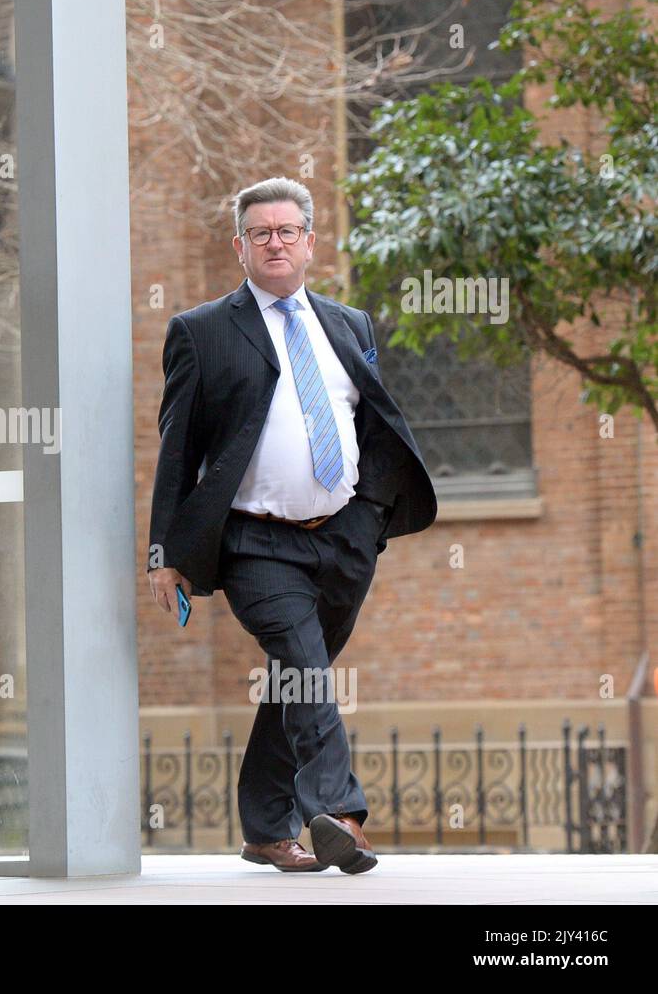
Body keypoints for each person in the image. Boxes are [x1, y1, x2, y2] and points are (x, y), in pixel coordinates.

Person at [146, 176, 437, 874]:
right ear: (240, 246)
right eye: (260, 233)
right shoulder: (202, 331)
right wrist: (165, 551)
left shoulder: (349, 325)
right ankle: (340, 810)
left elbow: (372, 423)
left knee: (292, 681)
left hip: (342, 537)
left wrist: (369, 516)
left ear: (310, 240)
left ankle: (262, 830)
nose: (274, 242)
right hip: (254, 543)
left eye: (286, 230)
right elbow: (177, 447)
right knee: (305, 671)